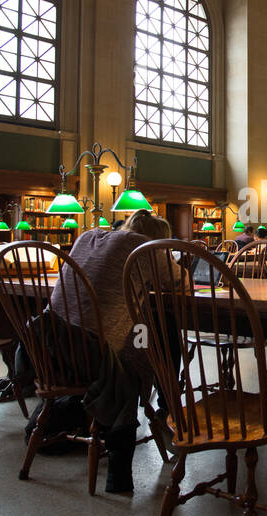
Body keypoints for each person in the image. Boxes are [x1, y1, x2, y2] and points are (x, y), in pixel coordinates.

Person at [42, 208, 173, 494]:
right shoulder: (146, 249)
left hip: (44, 349)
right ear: (159, 239)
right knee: (138, 358)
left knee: (136, 344)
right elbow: (176, 281)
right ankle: (121, 465)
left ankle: (57, 423)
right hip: (88, 355)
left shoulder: (86, 236)